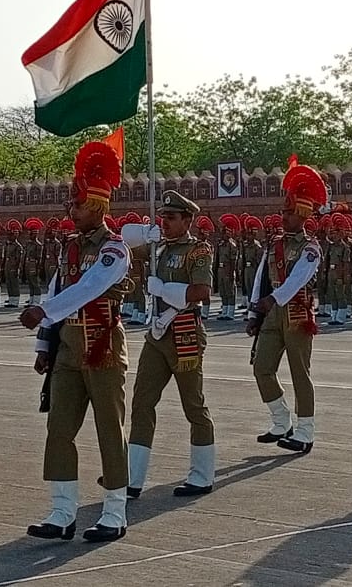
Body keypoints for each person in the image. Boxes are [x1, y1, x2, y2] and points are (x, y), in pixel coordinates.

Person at [20, 140, 132, 543]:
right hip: (67, 349)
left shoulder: (114, 250)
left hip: (102, 349)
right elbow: (58, 287)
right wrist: (44, 346)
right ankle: (63, 511)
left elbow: (90, 287)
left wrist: (43, 312)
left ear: (99, 208)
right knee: (59, 430)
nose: (71, 211)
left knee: (108, 429)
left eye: (78, 205)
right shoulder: (69, 247)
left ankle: (114, 512)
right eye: (71, 204)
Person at [122, 191, 216, 498]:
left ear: (187, 220)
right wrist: (141, 235)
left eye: (171, 218)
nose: (165, 222)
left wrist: (165, 288)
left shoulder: (198, 250)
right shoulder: (157, 247)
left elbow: (201, 291)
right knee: (141, 403)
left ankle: (201, 476)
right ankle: (132, 478)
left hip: (185, 332)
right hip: (157, 335)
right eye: (162, 217)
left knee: (194, 406)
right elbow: (122, 250)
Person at [247, 156, 326, 454]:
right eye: (283, 212)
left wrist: (272, 300)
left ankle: (306, 431)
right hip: (272, 313)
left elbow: (296, 281)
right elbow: (261, 279)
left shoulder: (310, 248)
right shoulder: (274, 243)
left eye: (290, 213)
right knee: (262, 368)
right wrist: (256, 309)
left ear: (304, 214)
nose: (284, 217)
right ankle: (281, 420)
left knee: (299, 373)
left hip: (296, 313)